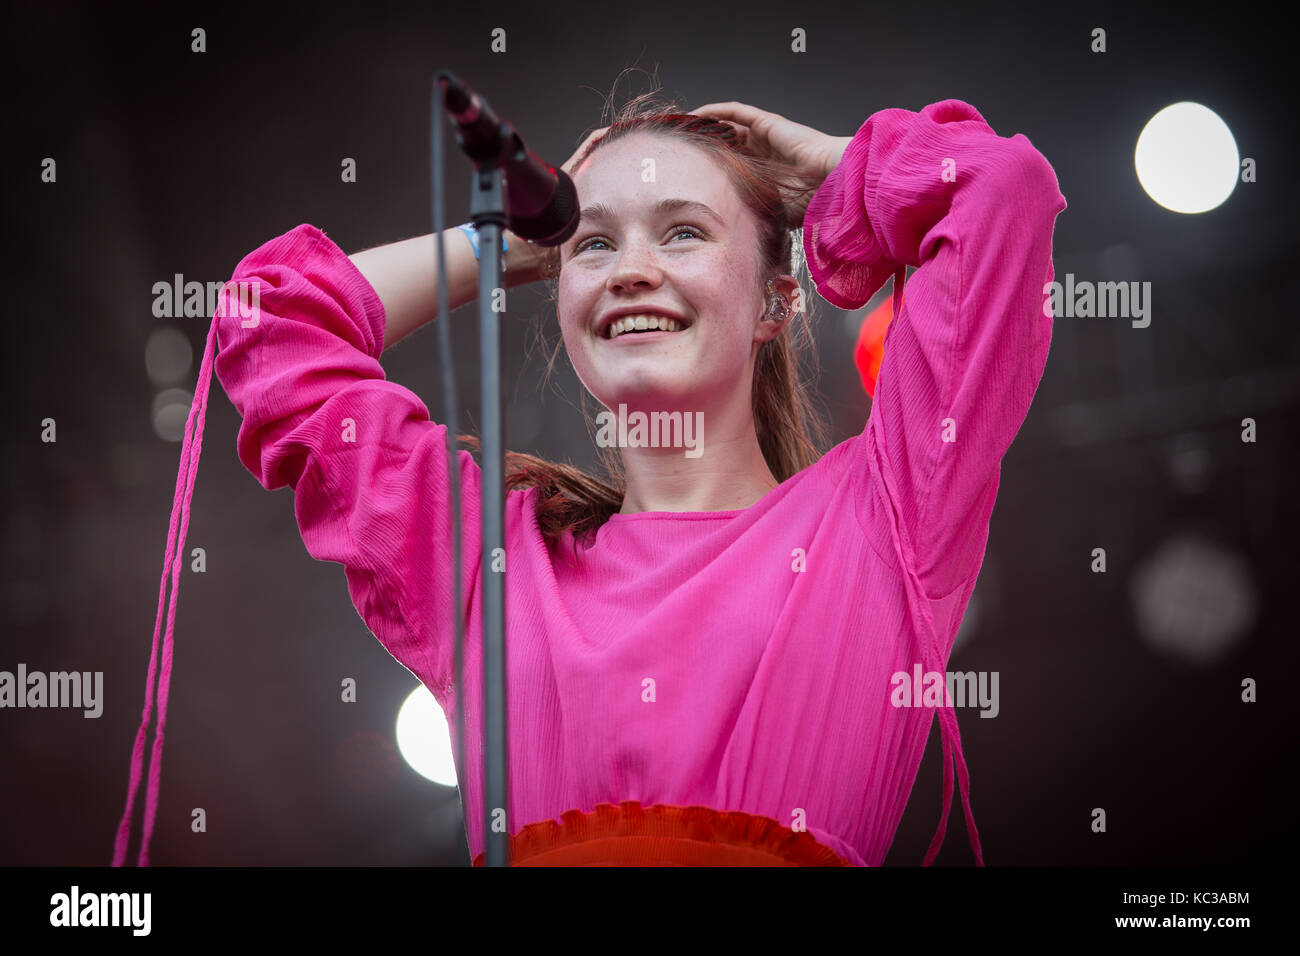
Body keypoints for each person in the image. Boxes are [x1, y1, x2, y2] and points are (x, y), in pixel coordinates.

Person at [138, 86, 1064, 867]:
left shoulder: (886, 514)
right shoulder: (487, 562)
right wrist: (507, 238)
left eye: (684, 233)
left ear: (777, 301)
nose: (632, 271)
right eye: (595, 246)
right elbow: (270, 316)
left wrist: (823, 162)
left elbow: (1001, 190)